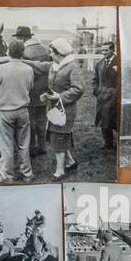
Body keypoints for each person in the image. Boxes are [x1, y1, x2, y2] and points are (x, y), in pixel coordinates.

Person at [0, 39, 36, 182]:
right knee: (24, 145)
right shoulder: (28, 69)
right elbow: (31, 86)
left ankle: (6, 176)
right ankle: (27, 174)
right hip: (23, 111)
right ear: (22, 52)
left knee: (6, 145)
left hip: (6, 111)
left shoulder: (1, 69)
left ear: (9, 51)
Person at [42, 37, 83, 180]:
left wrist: (59, 97)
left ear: (59, 53)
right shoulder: (55, 65)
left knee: (59, 138)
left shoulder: (72, 67)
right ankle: (71, 163)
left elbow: (78, 89)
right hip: (54, 110)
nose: (50, 55)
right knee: (58, 137)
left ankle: (60, 171)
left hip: (66, 111)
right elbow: (38, 65)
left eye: (52, 53)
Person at [93, 40, 118, 150]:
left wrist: (115, 94)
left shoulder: (119, 62)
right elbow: (95, 80)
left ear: (113, 50)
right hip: (102, 97)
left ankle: (119, 143)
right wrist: (96, 90)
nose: (103, 52)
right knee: (104, 120)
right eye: (102, 50)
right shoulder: (99, 64)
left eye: (106, 50)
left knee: (114, 120)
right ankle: (108, 143)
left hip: (114, 97)